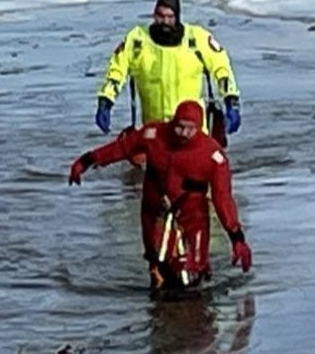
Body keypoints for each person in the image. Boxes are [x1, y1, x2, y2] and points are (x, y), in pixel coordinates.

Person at [68, 100, 252, 290]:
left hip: (193, 215)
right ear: (173, 122)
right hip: (155, 211)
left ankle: (199, 307)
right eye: (179, 127)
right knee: (157, 265)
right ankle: (159, 308)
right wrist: (86, 161)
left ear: (199, 127)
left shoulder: (213, 155)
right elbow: (121, 148)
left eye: (190, 129)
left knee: (195, 270)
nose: (183, 134)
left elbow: (223, 199)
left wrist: (237, 239)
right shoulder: (153, 135)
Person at [94, 0, 242, 141]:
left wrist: (231, 101)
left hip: (192, 132)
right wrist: (106, 102)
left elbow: (222, 69)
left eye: (170, 17)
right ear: (154, 15)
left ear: (177, 17)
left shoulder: (197, 40)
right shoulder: (137, 40)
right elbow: (116, 72)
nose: (165, 22)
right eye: (160, 16)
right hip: (155, 132)